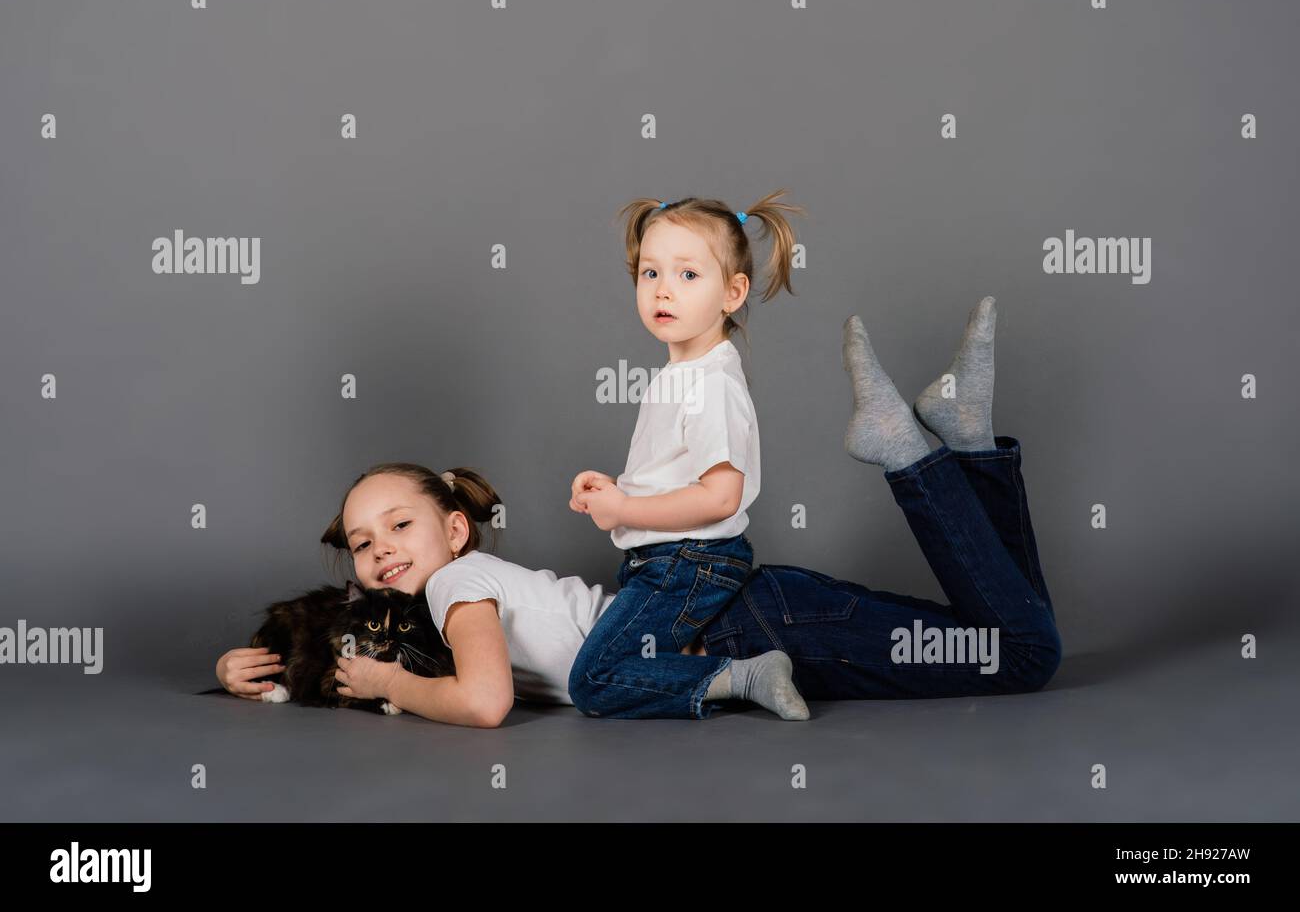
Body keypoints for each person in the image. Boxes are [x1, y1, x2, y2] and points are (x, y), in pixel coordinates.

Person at [215, 297, 1062, 725]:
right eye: (363, 544)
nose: (380, 551)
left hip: (741, 629)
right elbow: (349, 633)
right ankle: (969, 451)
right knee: (998, 643)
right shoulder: (431, 602)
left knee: (1021, 655)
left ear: (456, 528)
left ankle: (912, 455)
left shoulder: (457, 586)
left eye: (400, 525)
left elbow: (484, 702)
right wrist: (249, 663)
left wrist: (389, 682)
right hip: (756, 621)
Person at [566, 191, 810, 721]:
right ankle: (707, 665)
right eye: (650, 274)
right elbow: (675, 474)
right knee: (619, 658)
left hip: (687, 562)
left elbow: (722, 497)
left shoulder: (712, 385)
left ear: (733, 292)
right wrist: (620, 491)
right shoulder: (681, 375)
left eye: (688, 275)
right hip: (667, 560)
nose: (664, 290)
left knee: (594, 679)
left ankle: (744, 674)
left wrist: (625, 511)